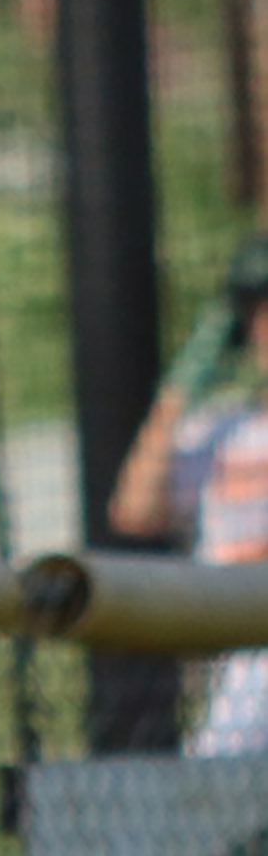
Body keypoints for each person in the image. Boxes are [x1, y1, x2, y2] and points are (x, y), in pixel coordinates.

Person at [111, 234, 268, 757]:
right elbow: (134, 511)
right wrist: (179, 391)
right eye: (258, 313)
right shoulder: (220, 429)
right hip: (234, 676)